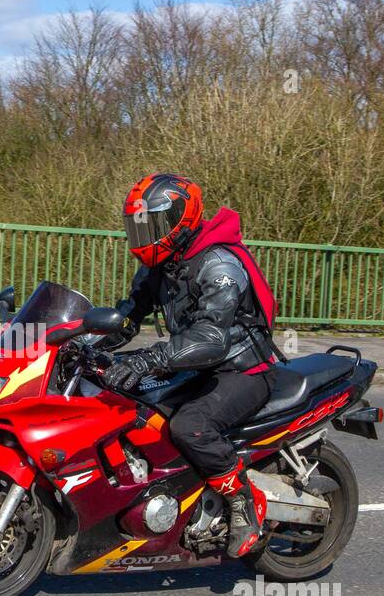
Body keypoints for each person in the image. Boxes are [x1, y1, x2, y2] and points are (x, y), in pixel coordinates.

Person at [100, 173, 280, 558]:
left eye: (152, 225)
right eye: (139, 227)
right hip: (197, 365)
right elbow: (129, 315)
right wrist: (81, 342)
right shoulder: (162, 264)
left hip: (242, 369)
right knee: (130, 408)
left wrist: (151, 358)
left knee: (189, 426)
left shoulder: (219, 266)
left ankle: (242, 503)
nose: (144, 234)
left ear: (179, 220)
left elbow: (212, 339)